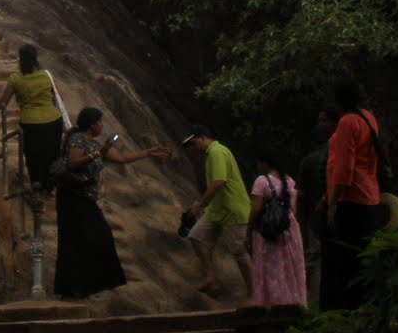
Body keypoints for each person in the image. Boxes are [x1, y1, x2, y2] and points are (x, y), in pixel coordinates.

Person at [54, 106, 171, 299]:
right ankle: (72, 289)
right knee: (76, 239)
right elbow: (73, 163)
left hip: (86, 198)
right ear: (92, 125)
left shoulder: (96, 144)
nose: (102, 125)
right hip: (72, 197)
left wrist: (148, 153)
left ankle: (87, 285)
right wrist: (100, 152)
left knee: (98, 237)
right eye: (100, 122)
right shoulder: (78, 140)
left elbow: (122, 158)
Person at [318, 79, 383, 312]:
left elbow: (344, 168)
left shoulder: (347, 122)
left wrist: (332, 204)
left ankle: (344, 310)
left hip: (351, 199)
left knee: (344, 258)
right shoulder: (368, 118)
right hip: (370, 195)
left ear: (338, 101)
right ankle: (368, 305)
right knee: (364, 256)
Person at [181, 124, 253, 296]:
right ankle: (211, 277)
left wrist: (200, 205)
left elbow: (218, 182)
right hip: (218, 209)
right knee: (197, 236)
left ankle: (256, 295)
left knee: (240, 253)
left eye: (194, 143)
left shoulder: (217, 152)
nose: (193, 148)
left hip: (234, 208)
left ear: (203, 137)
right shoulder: (211, 154)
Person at [0, 44, 65, 191]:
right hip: (54, 121)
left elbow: (3, 103)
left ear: (20, 60)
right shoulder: (46, 75)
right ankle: (50, 189)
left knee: (34, 157)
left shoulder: (15, 79)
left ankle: (37, 191)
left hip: (31, 123)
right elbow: (60, 97)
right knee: (52, 154)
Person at [246, 142, 308, 309]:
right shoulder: (291, 182)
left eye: (259, 162)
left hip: (268, 231)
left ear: (265, 163)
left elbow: (256, 208)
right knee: (290, 269)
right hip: (289, 229)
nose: (258, 166)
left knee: (271, 270)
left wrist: (249, 231)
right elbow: (293, 211)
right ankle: (294, 304)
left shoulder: (261, 181)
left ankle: (271, 305)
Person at [297, 103, 339, 294]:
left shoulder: (311, 160)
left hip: (319, 216)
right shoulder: (339, 155)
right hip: (336, 213)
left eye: (323, 120)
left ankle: (316, 304)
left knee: (315, 259)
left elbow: (301, 194)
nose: (319, 124)